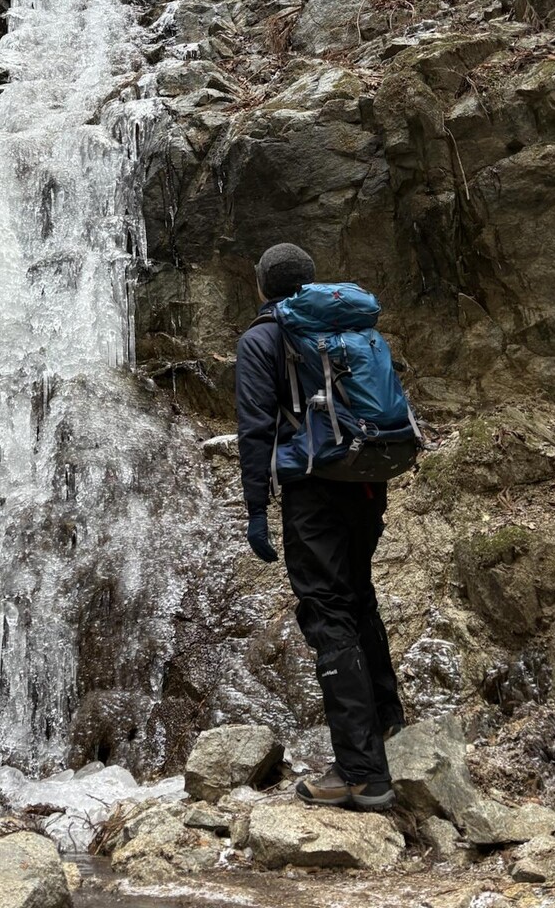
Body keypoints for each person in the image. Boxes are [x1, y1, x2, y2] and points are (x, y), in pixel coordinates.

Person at [236, 242, 404, 812]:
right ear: (308, 282)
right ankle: (386, 725)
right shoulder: (344, 330)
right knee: (358, 596)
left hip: (312, 490)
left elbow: (257, 429)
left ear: (262, 286)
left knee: (326, 610)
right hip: (365, 478)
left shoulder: (263, 338)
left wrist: (257, 508)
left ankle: (360, 773)